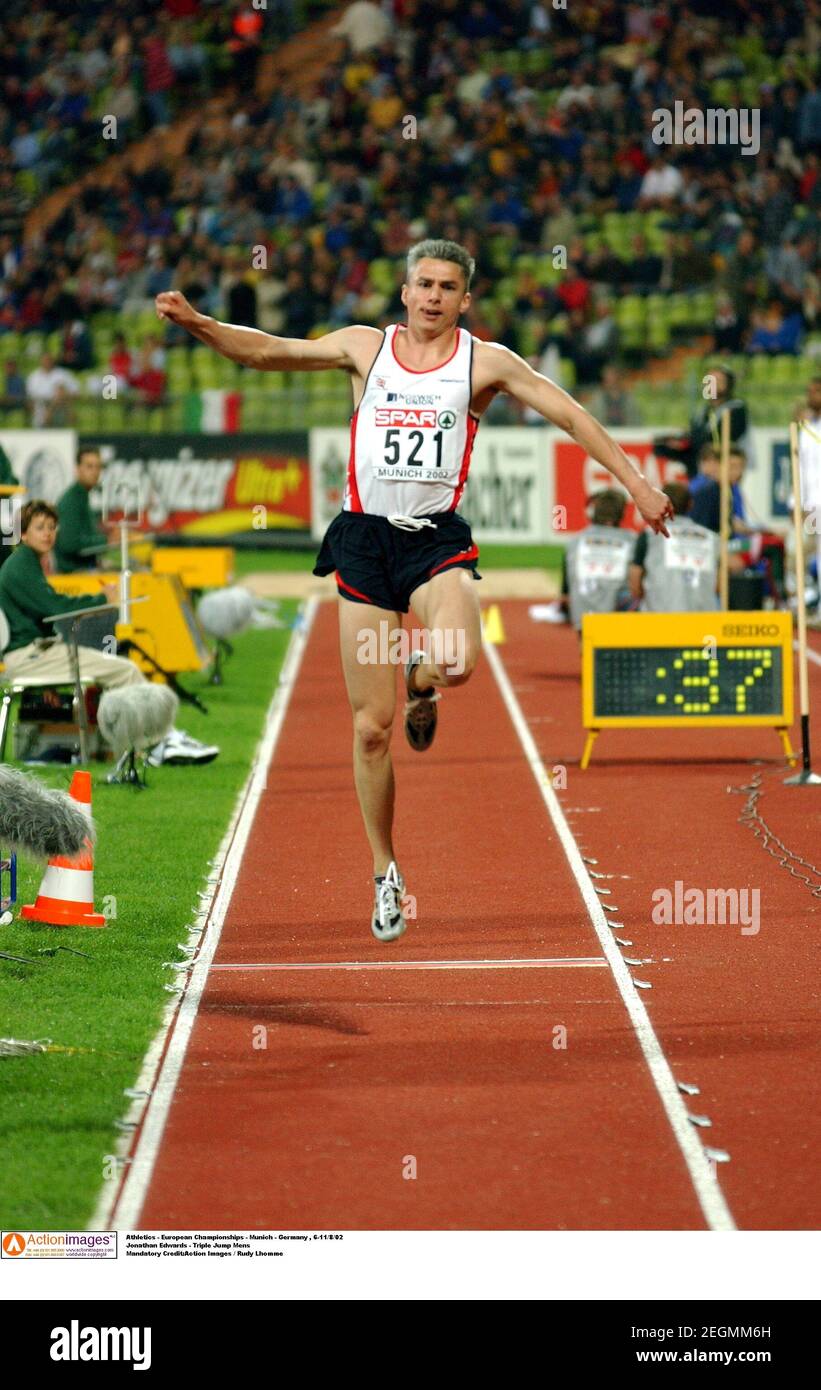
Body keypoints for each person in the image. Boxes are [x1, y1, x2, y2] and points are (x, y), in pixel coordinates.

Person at [155, 238, 673, 940]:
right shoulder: (364, 347)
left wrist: (636, 483)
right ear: (404, 292)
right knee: (372, 729)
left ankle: (422, 678)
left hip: (432, 540)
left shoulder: (484, 362)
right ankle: (385, 872)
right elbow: (267, 351)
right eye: (422, 283)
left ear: (465, 299)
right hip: (364, 545)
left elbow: (572, 416)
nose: (432, 296)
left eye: (447, 286)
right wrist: (200, 325)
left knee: (457, 660)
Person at [0, 500, 220, 767]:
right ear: (23, 533)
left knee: (121, 670)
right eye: (40, 528)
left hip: (37, 652)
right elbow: (55, 607)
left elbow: (51, 605)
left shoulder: (25, 561)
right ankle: (161, 742)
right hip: (30, 656)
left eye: (51, 527)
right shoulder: (21, 564)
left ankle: (153, 742)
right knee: (125, 671)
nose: (48, 533)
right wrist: (102, 599)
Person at [630, 483, 719, 612]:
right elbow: (719, 583)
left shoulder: (649, 535)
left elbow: (635, 580)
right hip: (702, 619)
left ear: (660, 503)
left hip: (658, 619)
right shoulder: (712, 537)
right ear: (690, 504)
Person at [562, 489, 637, 630]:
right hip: (619, 617)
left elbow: (566, 590)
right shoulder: (632, 540)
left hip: (582, 616)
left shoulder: (574, 541)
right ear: (621, 514)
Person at [55, 447, 114, 573]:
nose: (95, 472)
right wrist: (107, 540)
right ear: (77, 469)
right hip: (74, 574)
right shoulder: (71, 500)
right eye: (89, 466)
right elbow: (69, 544)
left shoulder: (82, 497)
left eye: (98, 467)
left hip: (83, 570)